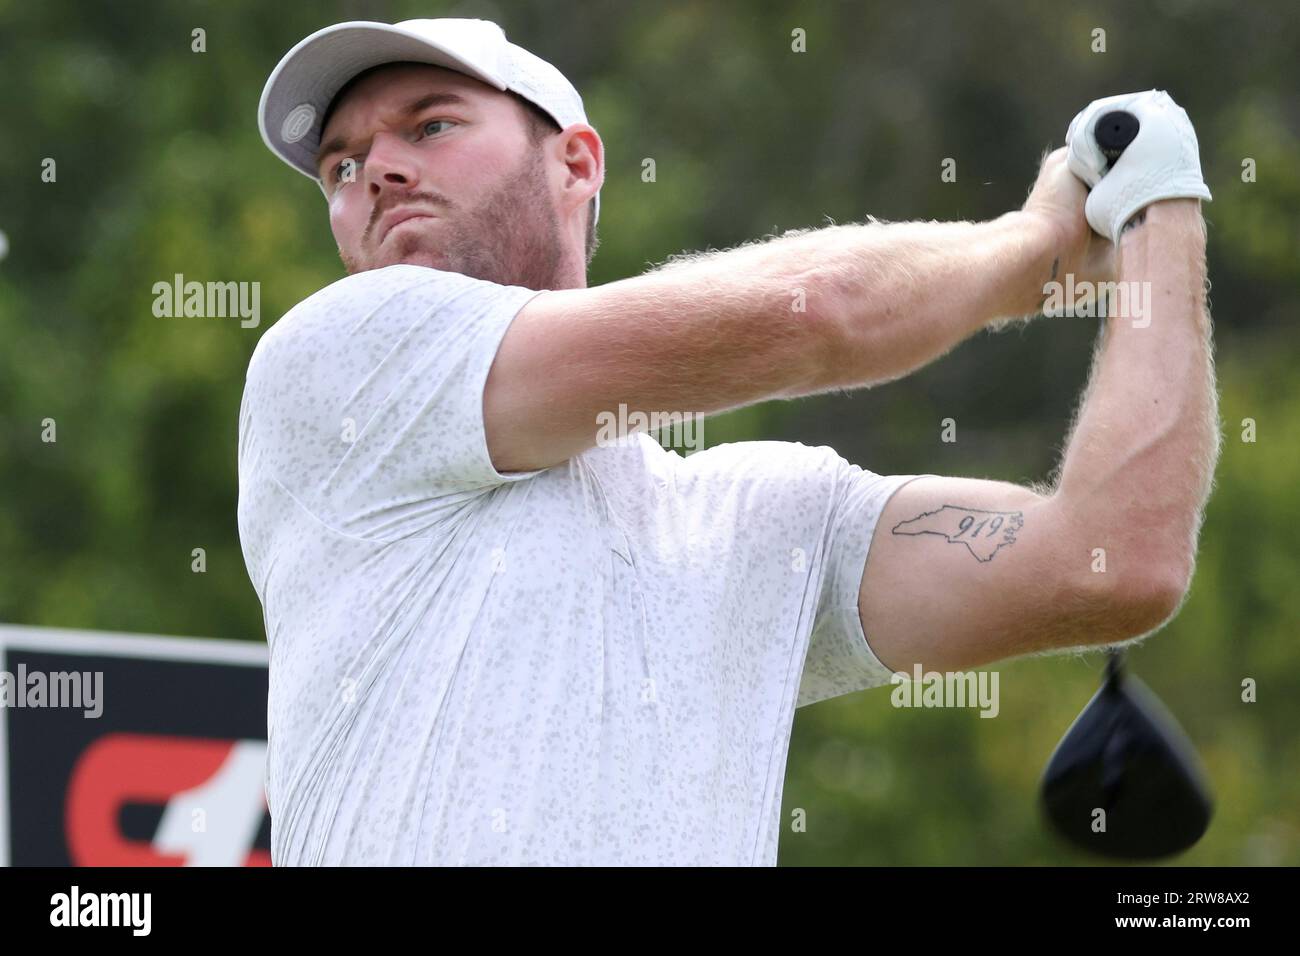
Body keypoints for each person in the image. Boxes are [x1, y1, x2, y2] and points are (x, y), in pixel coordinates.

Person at [239, 17, 1220, 865]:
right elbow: (814, 310)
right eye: (342, 164)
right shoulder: (335, 362)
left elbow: (1114, 560)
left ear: (575, 162)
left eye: (431, 124)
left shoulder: (747, 516)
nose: (378, 171)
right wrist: (1036, 246)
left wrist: (1158, 207)